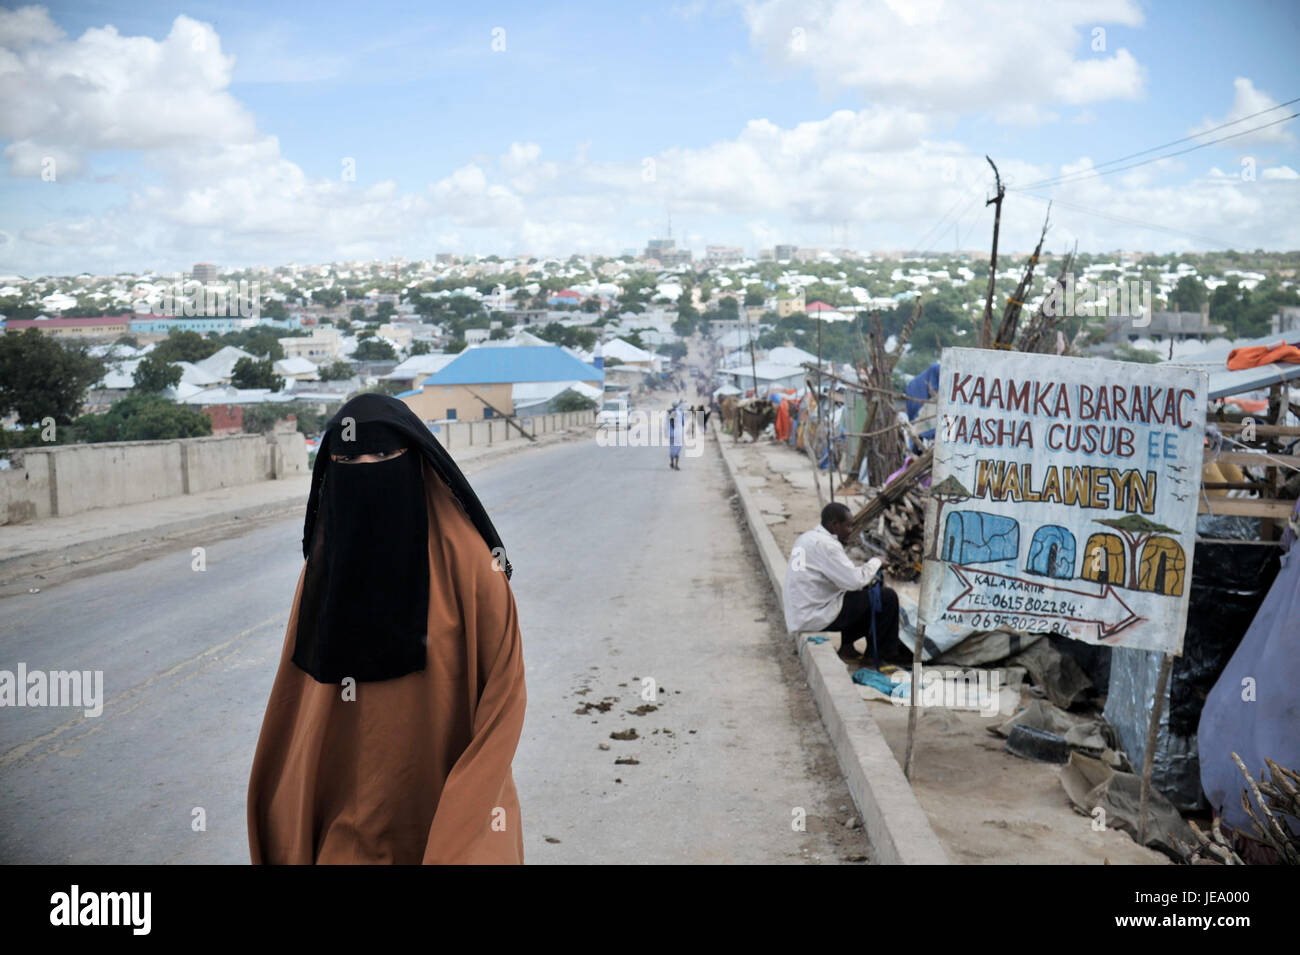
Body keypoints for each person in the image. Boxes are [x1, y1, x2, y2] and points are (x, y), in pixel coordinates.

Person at [247, 393, 527, 864]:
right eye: (348, 458)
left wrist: (464, 824)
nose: (366, 467)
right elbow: (296, 708)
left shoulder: (473, 568)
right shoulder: (324, 576)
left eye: (381, 455)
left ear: (415, 460)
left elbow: (504, 699)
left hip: (440, 820)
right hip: (344, 832)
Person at [783, 502, 904, 667]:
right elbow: (855, 581)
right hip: (813, 615)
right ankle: (877, 656)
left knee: (860, 595)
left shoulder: (807, 537)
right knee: (887, 597)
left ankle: (847, 648)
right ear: (834, 525)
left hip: (801, 610)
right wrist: (876, 562)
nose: (851, 531)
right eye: (848, 526)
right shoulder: (827, 545)